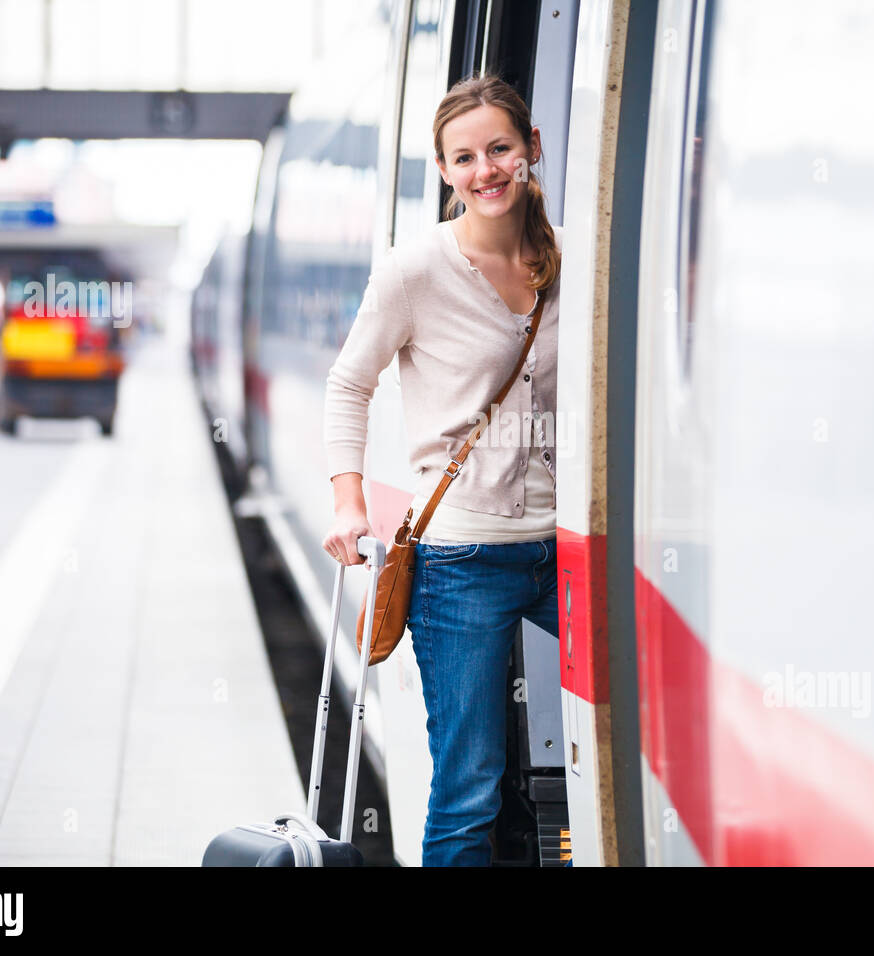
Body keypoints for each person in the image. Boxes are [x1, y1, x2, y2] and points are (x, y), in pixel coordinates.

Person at [321, 72, 563, 867]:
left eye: (499, 148)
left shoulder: (570, 258)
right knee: (470, 789)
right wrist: (348, 503)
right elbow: (349, 382)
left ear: (530, 149)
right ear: (445, 172)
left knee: (642, 727)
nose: (485, 169)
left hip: (566, 546)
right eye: (465, 157)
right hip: (462, 559)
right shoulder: (414, 270)